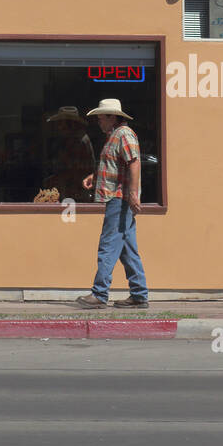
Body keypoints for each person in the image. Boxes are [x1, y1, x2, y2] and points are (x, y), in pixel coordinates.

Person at [76, 98, 149, 309]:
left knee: (107, 246)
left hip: (119, 198)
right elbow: (115, 165)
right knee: (127, 248)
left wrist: (133, 194)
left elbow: (134, 163)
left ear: (112, 117)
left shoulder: (123, 134)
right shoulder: (113, 136)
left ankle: (99, 294)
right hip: (117, 197)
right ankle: (139, 293)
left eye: (101, 118)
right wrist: (95, 176)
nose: (99, 122)